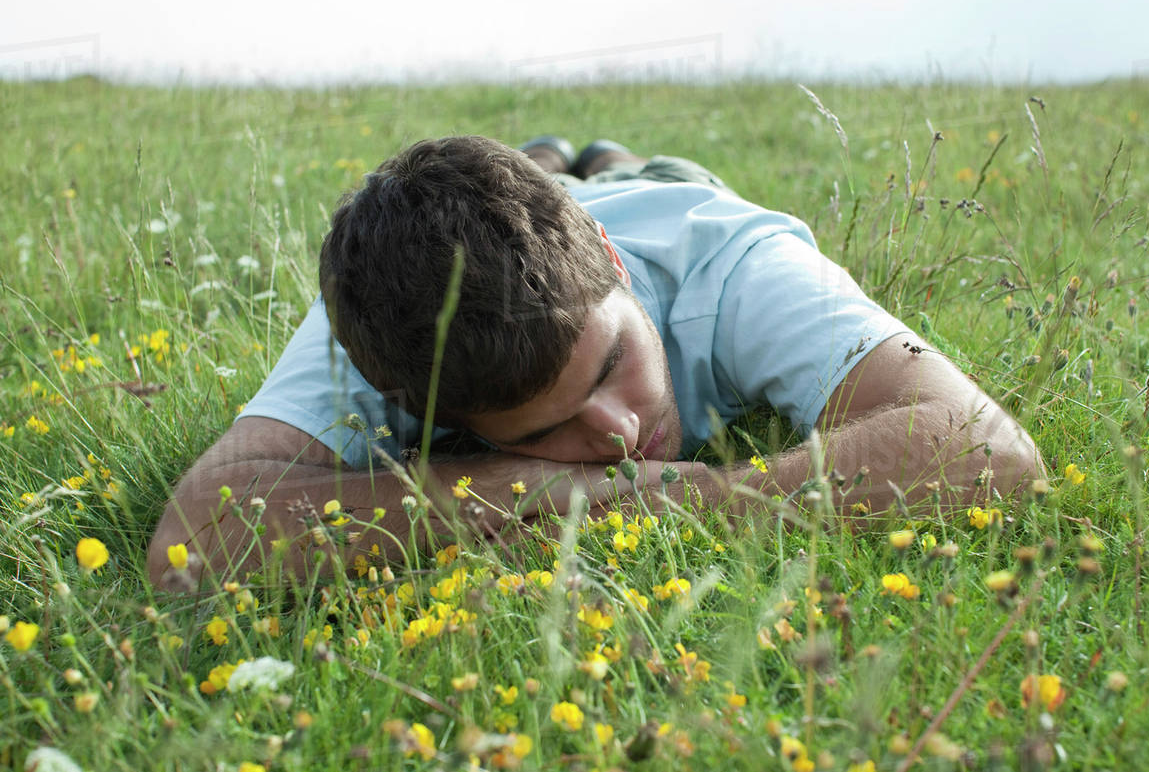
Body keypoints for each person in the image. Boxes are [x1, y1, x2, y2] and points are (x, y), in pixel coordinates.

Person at [147, 135, 1040, 586]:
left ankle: (606, 163)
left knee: (658, 169)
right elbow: (190, 543)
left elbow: (987, 448)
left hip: (671, 203)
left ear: (611, 261)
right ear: (439, 416)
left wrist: (697, 496)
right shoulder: (385, 325)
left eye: (612, 364)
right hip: (527, 242)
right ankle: (539, 155)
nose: (619, 434)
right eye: (551, 427)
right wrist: (528, 486)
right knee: (518, 170)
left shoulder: (734, 263)